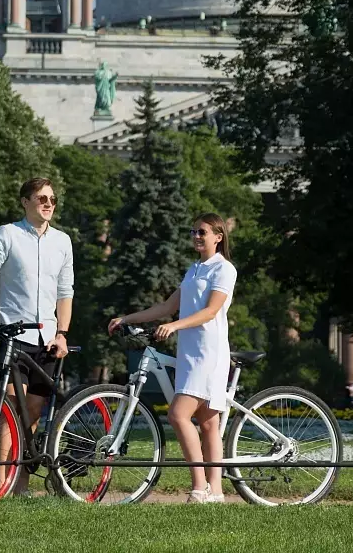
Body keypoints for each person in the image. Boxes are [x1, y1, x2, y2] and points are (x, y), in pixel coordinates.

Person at [109, 212, 237, 504]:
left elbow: (210, 312)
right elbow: (167, 307)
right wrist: (126, 318)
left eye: (202, 232)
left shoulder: (224, 269)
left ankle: (199, 486)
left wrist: (175, 326)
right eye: (193, 232)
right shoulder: (194, 270)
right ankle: (216, 493)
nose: (196, 236)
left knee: (178, 414)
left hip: (210, 352)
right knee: (207, 423)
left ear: (218, 237)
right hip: (190, 351)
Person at [0, 177, 74, 495]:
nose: (48, 204)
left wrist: (63, 334)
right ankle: (2, 486)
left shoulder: (63, 242)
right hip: (16, 336)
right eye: (42, 198)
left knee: (34, 414)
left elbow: (65, 293)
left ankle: (21, 487)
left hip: (49, 340)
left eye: (52, 199)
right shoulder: (8, 234)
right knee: (12, 409)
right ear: (25, 201)